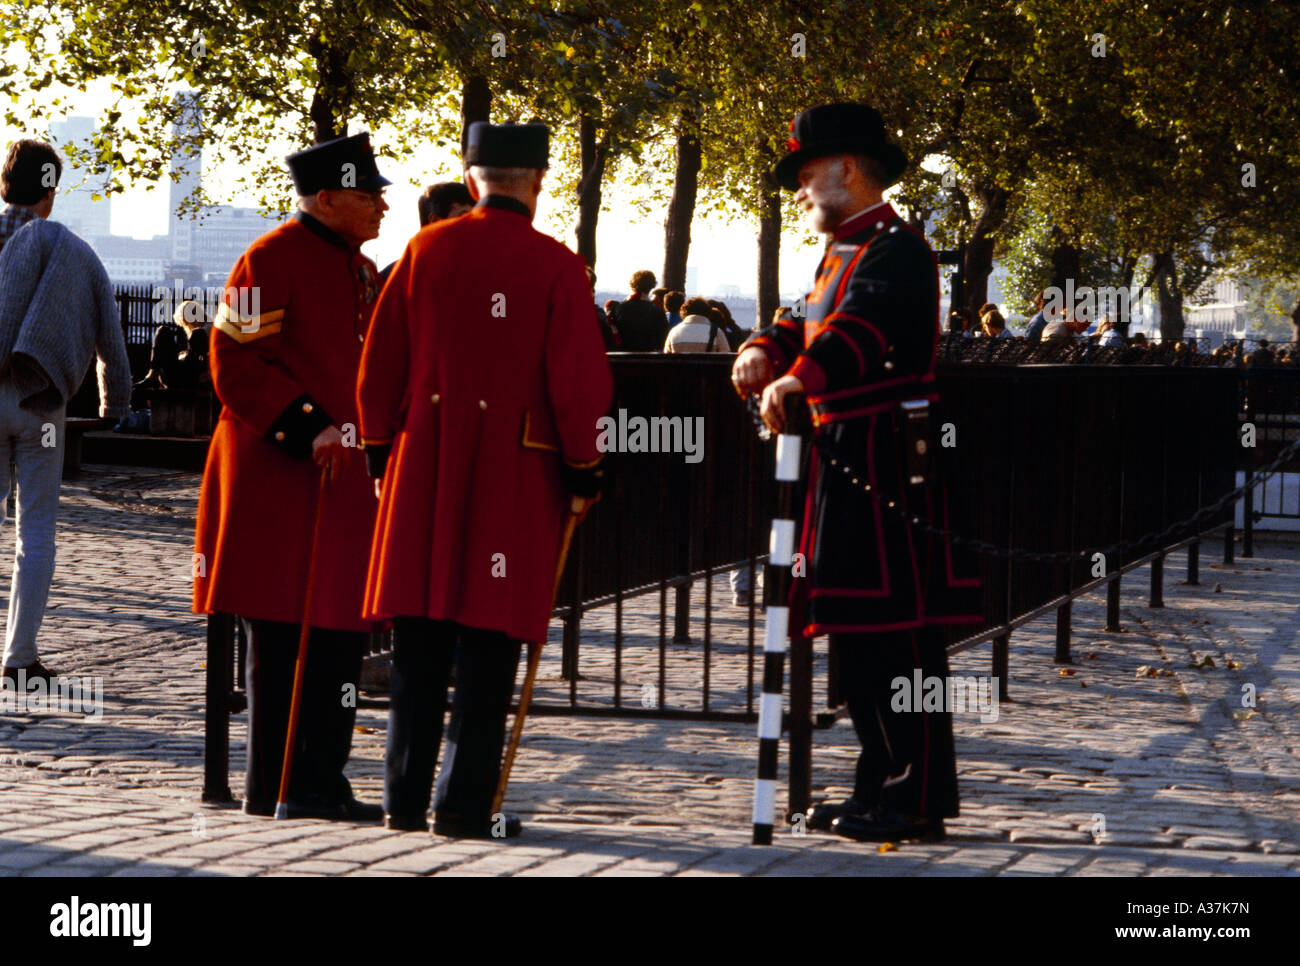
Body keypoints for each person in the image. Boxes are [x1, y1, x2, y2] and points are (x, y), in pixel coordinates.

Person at [732, 102, 981, 844]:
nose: (800, 189)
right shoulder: (842, 247)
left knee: (902, 635)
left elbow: (861, 327)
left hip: (886, 461)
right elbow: (806, 316)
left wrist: (799, 377)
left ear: (846, 168)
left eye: (807, 174)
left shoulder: (897, 247)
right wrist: (763, 348)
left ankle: (921, 793)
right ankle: (877, 785)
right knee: (858, 636)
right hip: (845, 458)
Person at [358, 121, 613, 839]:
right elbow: (577, 384)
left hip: (424, 462)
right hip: (516, 468)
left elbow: (379, 366)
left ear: (471, 180)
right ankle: (464, 805)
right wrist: (585, 468)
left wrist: (382, 456)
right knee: (490, 641)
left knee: (419, 637)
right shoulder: (558, 266)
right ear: (538, 181)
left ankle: (401, 798)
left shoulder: (423, 250)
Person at [192, 131, 392, 822]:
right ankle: (272, 782)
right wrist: (310, 427)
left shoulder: (359, 270)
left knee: (339, 635)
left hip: (336, 485)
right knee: (278, 637)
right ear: (329, 196)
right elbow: (233, 362)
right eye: (369, 195)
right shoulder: (267, 259)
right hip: (279, 481)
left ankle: (320, 779)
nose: (382, 206)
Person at [0, 138, 132, 687]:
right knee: (37, 529)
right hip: (44, 409)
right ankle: (19, 658)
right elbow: (112, 341)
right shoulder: (77, 253)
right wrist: (113, 405)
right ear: (50, 191)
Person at [380, 181, 472, 281]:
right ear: (436, 221)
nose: (474, 222)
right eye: (464, 216)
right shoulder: (395, 278)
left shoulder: (479, 268)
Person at [612, 269, 666, 351]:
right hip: (650, 358)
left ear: (632, 285)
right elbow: (662, 340)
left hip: (623, 357)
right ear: (652, 286)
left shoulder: (619, 308)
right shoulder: (657, 311)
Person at [664, 296, 729, 353]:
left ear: (684, 312)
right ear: (708, 312)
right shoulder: (716, 332)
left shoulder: (674, 332)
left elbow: (667, 355)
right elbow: (726, 354)